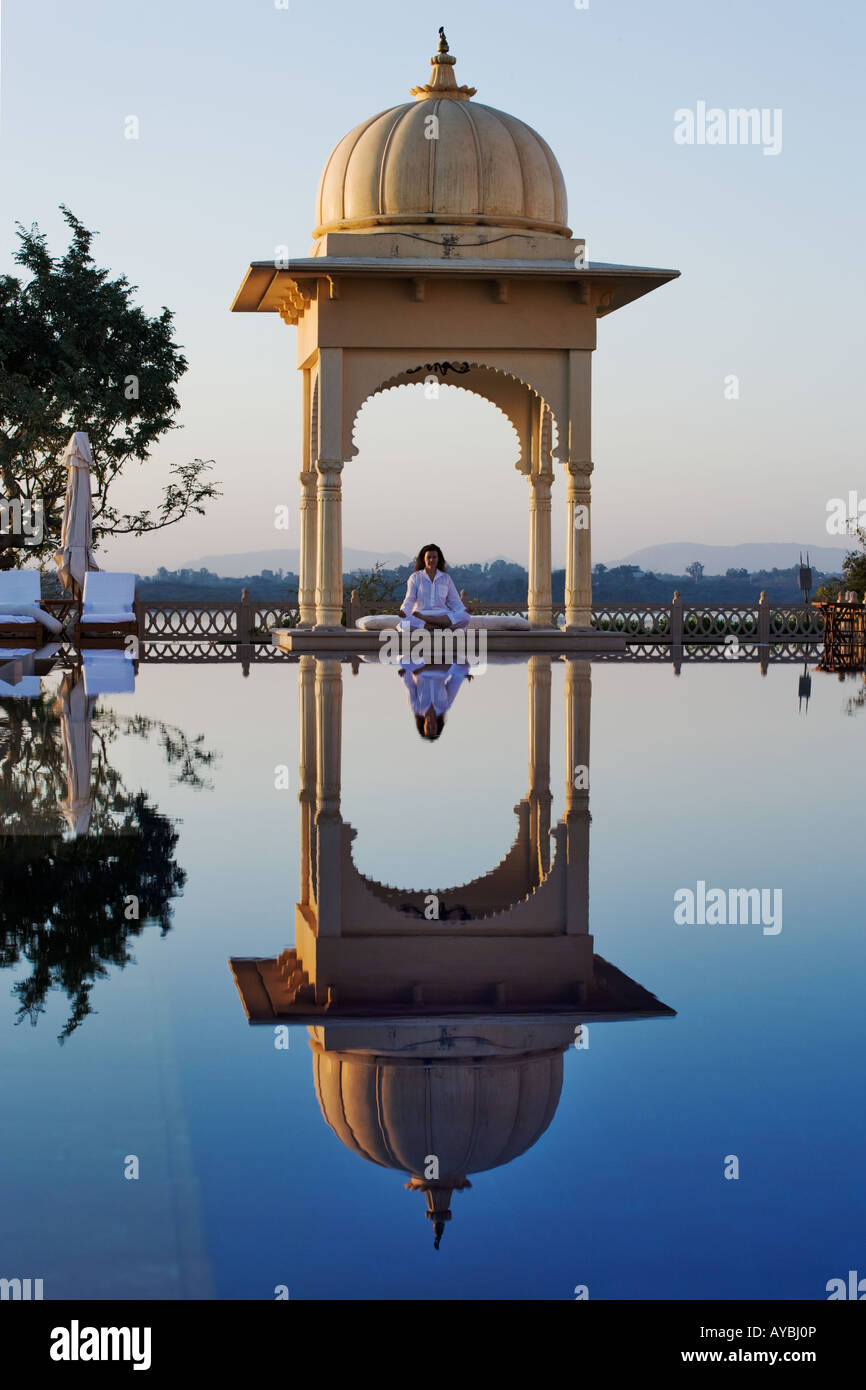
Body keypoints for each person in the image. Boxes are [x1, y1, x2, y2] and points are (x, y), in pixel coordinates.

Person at [399, 544, 470, 633]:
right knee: (404, 624)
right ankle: (436, 626)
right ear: (423, 559)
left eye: (434, 557)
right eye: (428, 557)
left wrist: (463, 610)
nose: (431, 560)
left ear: (438, 559)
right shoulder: (415, 577)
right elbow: (410, 599)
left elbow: (454, 601)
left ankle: (429, 624)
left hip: (442, 615)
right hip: (421, 613)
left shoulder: (446, 578)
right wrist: (404, 611)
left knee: (465, 617)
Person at [400, 660, 472, 740]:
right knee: (464, 668)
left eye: (428, 729)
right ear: (438, 726)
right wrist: (462, 676)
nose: (430, 726)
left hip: (422, 672)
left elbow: (410, 686)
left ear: (423, 726)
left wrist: (406, 673)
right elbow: (454, 684)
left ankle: (427, 662)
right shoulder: (444, 706)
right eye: (433, 729)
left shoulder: (416, 707)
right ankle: (433, 662)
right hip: (441, 671)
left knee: (403, 662)